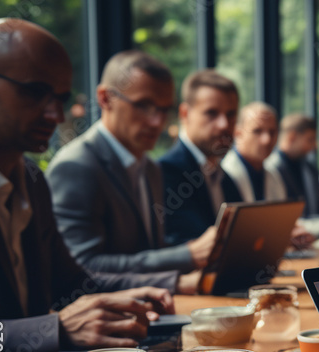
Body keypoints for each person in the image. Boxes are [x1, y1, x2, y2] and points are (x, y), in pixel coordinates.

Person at [0, 19, 174, 352]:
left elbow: (71, 282)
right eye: (35, 92)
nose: (56, 115)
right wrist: (53, 330)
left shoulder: (33, 179)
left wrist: (143, 290)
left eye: (61, 98)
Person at [46, 51, 207, 294]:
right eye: (144, 105)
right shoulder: (76, 166)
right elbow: (83, 267)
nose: (157, 122)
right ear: (105, 99)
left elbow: (145, 251)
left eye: (164, 110)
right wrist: (187, 256)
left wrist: (193, 250)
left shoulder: (151, 167)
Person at [159, 69, 242, 245]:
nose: (224, 124)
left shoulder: (224, 178)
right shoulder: (164, 173)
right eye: (211, 113)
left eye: (231, 114)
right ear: (184, 114)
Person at [265, 113, 319, 237]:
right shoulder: (271, 170)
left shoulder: (309, 168)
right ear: (291, 137)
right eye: (310, 139)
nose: (315, 146)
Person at [220, 101, 286, 203]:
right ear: (238, 133)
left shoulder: (274, 175)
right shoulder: (224, 175)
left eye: (272, 132)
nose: (266, 140)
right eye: (257, 131)